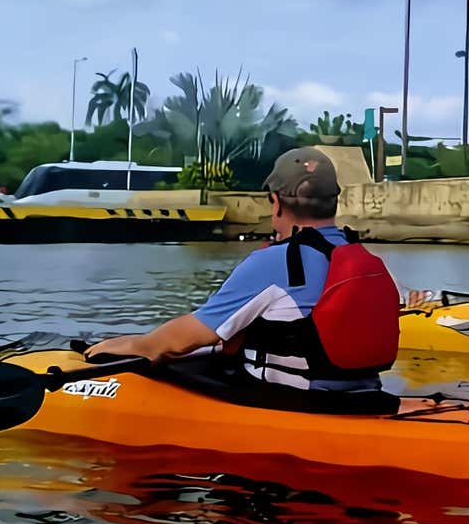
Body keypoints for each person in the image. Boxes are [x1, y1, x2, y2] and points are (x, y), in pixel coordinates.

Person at [83, 148, 401, 406]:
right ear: (334, 199)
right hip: (366, 393)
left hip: (302, 400)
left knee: (174, 362)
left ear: (276, 202)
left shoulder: (273, 262)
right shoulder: (362, 256)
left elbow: (185, 339)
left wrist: (136, 345)